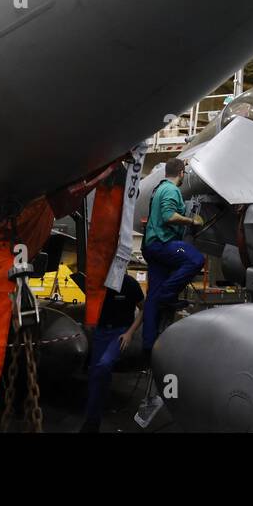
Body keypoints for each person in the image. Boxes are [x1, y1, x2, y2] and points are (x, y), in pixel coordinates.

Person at [140, 158, 205, 352]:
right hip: (163, 244)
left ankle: (148, 345)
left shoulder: (158, 189)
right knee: (196, 259)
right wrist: (191, 221)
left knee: (152, 297)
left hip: (151, 247)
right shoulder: (171, 190)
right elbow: (169, 217)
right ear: (182, 173)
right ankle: (167, 295)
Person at [81, 272, 145, 432]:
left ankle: (95, 415)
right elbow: (93, 302)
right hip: (100, 332)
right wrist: (90, 321)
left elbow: (144, 309)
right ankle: (92, 421)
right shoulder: (99, 282)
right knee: (95, 375)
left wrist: (129, 333)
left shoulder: (130, 284)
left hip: (119, 333)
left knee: (103, 366)